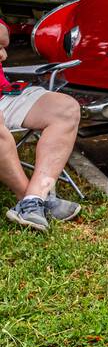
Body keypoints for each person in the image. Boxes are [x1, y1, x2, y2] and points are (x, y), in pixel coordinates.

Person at [0, 19, 82, 232]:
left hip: (3, 94)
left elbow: (3, 36)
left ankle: (36, 196)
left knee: (65, 108)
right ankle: (29, 201)